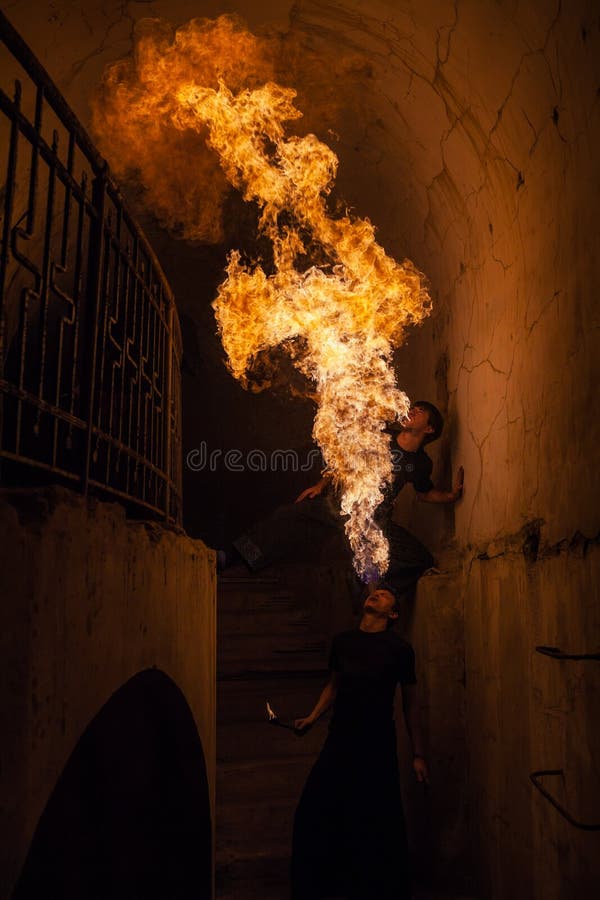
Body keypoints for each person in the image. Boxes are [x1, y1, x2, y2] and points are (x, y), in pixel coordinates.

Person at [221, 401, 463, 600]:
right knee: (288, 515)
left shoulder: (421, 463)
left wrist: (450, 496)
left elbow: (424, 492)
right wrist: (320, 485)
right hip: (341, 508)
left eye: (420, 411)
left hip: (374, 522)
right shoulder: (381, 435)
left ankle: (375, 589)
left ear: (429, 429)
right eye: (413, 407)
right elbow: (344, 459)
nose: (412, 410)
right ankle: (233, 556)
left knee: (419, 558)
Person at [290, 585, 427, 900]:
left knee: (376, 820)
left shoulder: (399, 649)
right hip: (340, 740)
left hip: (377, 745)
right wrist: (312, 717)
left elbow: (410, 704)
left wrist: (418, 753)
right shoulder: (343, 642)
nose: (376, 594)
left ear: (393, 614)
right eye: (374, 592)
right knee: (315, 812)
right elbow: (333, 686)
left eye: (385, 595)